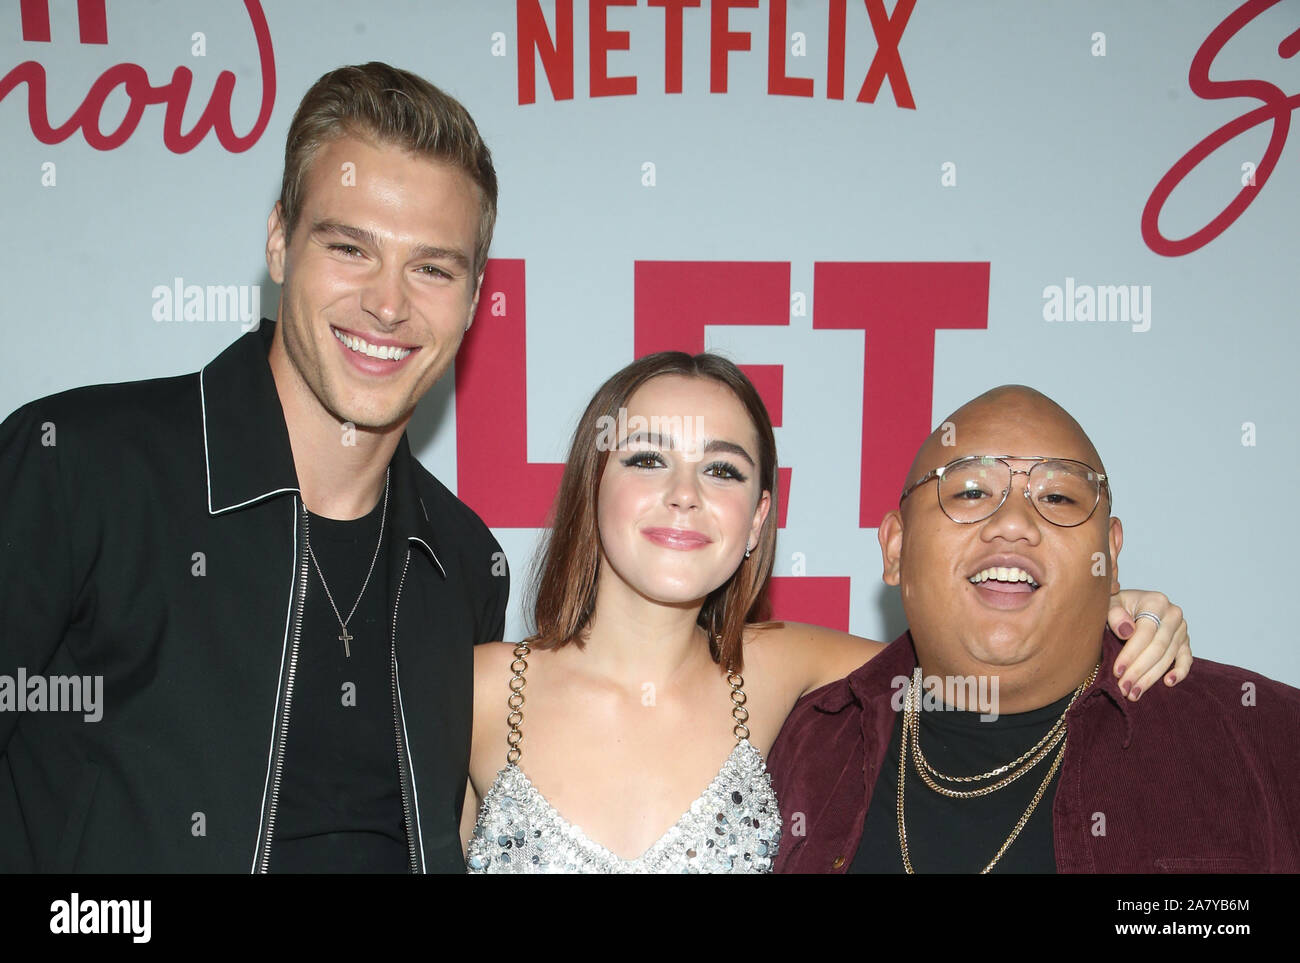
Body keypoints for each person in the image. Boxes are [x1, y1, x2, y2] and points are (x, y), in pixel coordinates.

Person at [0, 63, 507, 872]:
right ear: (279, 242)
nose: (388, 303)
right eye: (350, 247)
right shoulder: (78, 468)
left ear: (475, 297)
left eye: (432, 268)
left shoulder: (462, 561)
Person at [462, 356, 1190, 873]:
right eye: (648, 459)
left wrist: (1111, 606)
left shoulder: (787, 669)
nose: (684, 493)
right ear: (594, 484)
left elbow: (989, 658)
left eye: (722, 469)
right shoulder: (475, 690)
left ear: (756, 521)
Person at [768, 385, 1300, 873]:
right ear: (896, 548)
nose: (1014, 523)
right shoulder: (797, 747)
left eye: (1058, 498)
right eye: (972, 492)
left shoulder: (1264, 737)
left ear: (1110, 556)